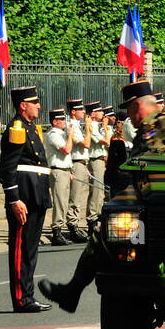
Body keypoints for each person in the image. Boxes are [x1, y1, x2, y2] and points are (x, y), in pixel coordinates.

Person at [39, 80, 165, 313]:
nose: (128, 115)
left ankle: (73, 292)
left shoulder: (164, 121)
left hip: (161, 204)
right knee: (103, 235)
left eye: (129, 109)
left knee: (104, 237)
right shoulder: (143, 131)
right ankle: (73, 291)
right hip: (142, 202)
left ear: (138, 106)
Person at [0, 86, 51, 312]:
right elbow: (7, 168)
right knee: (21, 249)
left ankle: (28, 296)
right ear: (22, 106)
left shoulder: (32, 128)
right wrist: (14, 199)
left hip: (36, 193)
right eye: (34, 102)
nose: (38, 106)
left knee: (30, 250)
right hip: (24, 197)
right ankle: (21, 298)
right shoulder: (16, 128)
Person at [44, 107, 73, 246]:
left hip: (65, 170)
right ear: (55, 121)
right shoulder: (53, 134)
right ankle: (57, 230)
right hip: (58, 171)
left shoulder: (60, 134)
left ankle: (60, 229)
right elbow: (66, 150)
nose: (64, 121)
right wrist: (71, 135)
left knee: (65, 201)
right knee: (60, 201)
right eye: (61, 119)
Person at [65, 98, 91, 242]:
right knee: (74, 197)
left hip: (81, 162)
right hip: (75, 163)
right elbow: (86, 144)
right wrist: (88, 127)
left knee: (79, 196)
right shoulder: (72, 126)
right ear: (73, 112)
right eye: (80, 110)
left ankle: (75, 223)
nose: (84, 112)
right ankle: (72, 225)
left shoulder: (76, 125)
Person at [86, 100, 110, 236]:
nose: (102, 113)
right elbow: (106, 141)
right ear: (93, 114)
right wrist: (106, 127)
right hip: (95, 161)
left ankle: (97, 218)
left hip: (101, 160)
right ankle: (92, 219)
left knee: (100, 191)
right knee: (96, 191)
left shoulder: (98, 126)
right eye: (99, 111)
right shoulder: (92, 127)